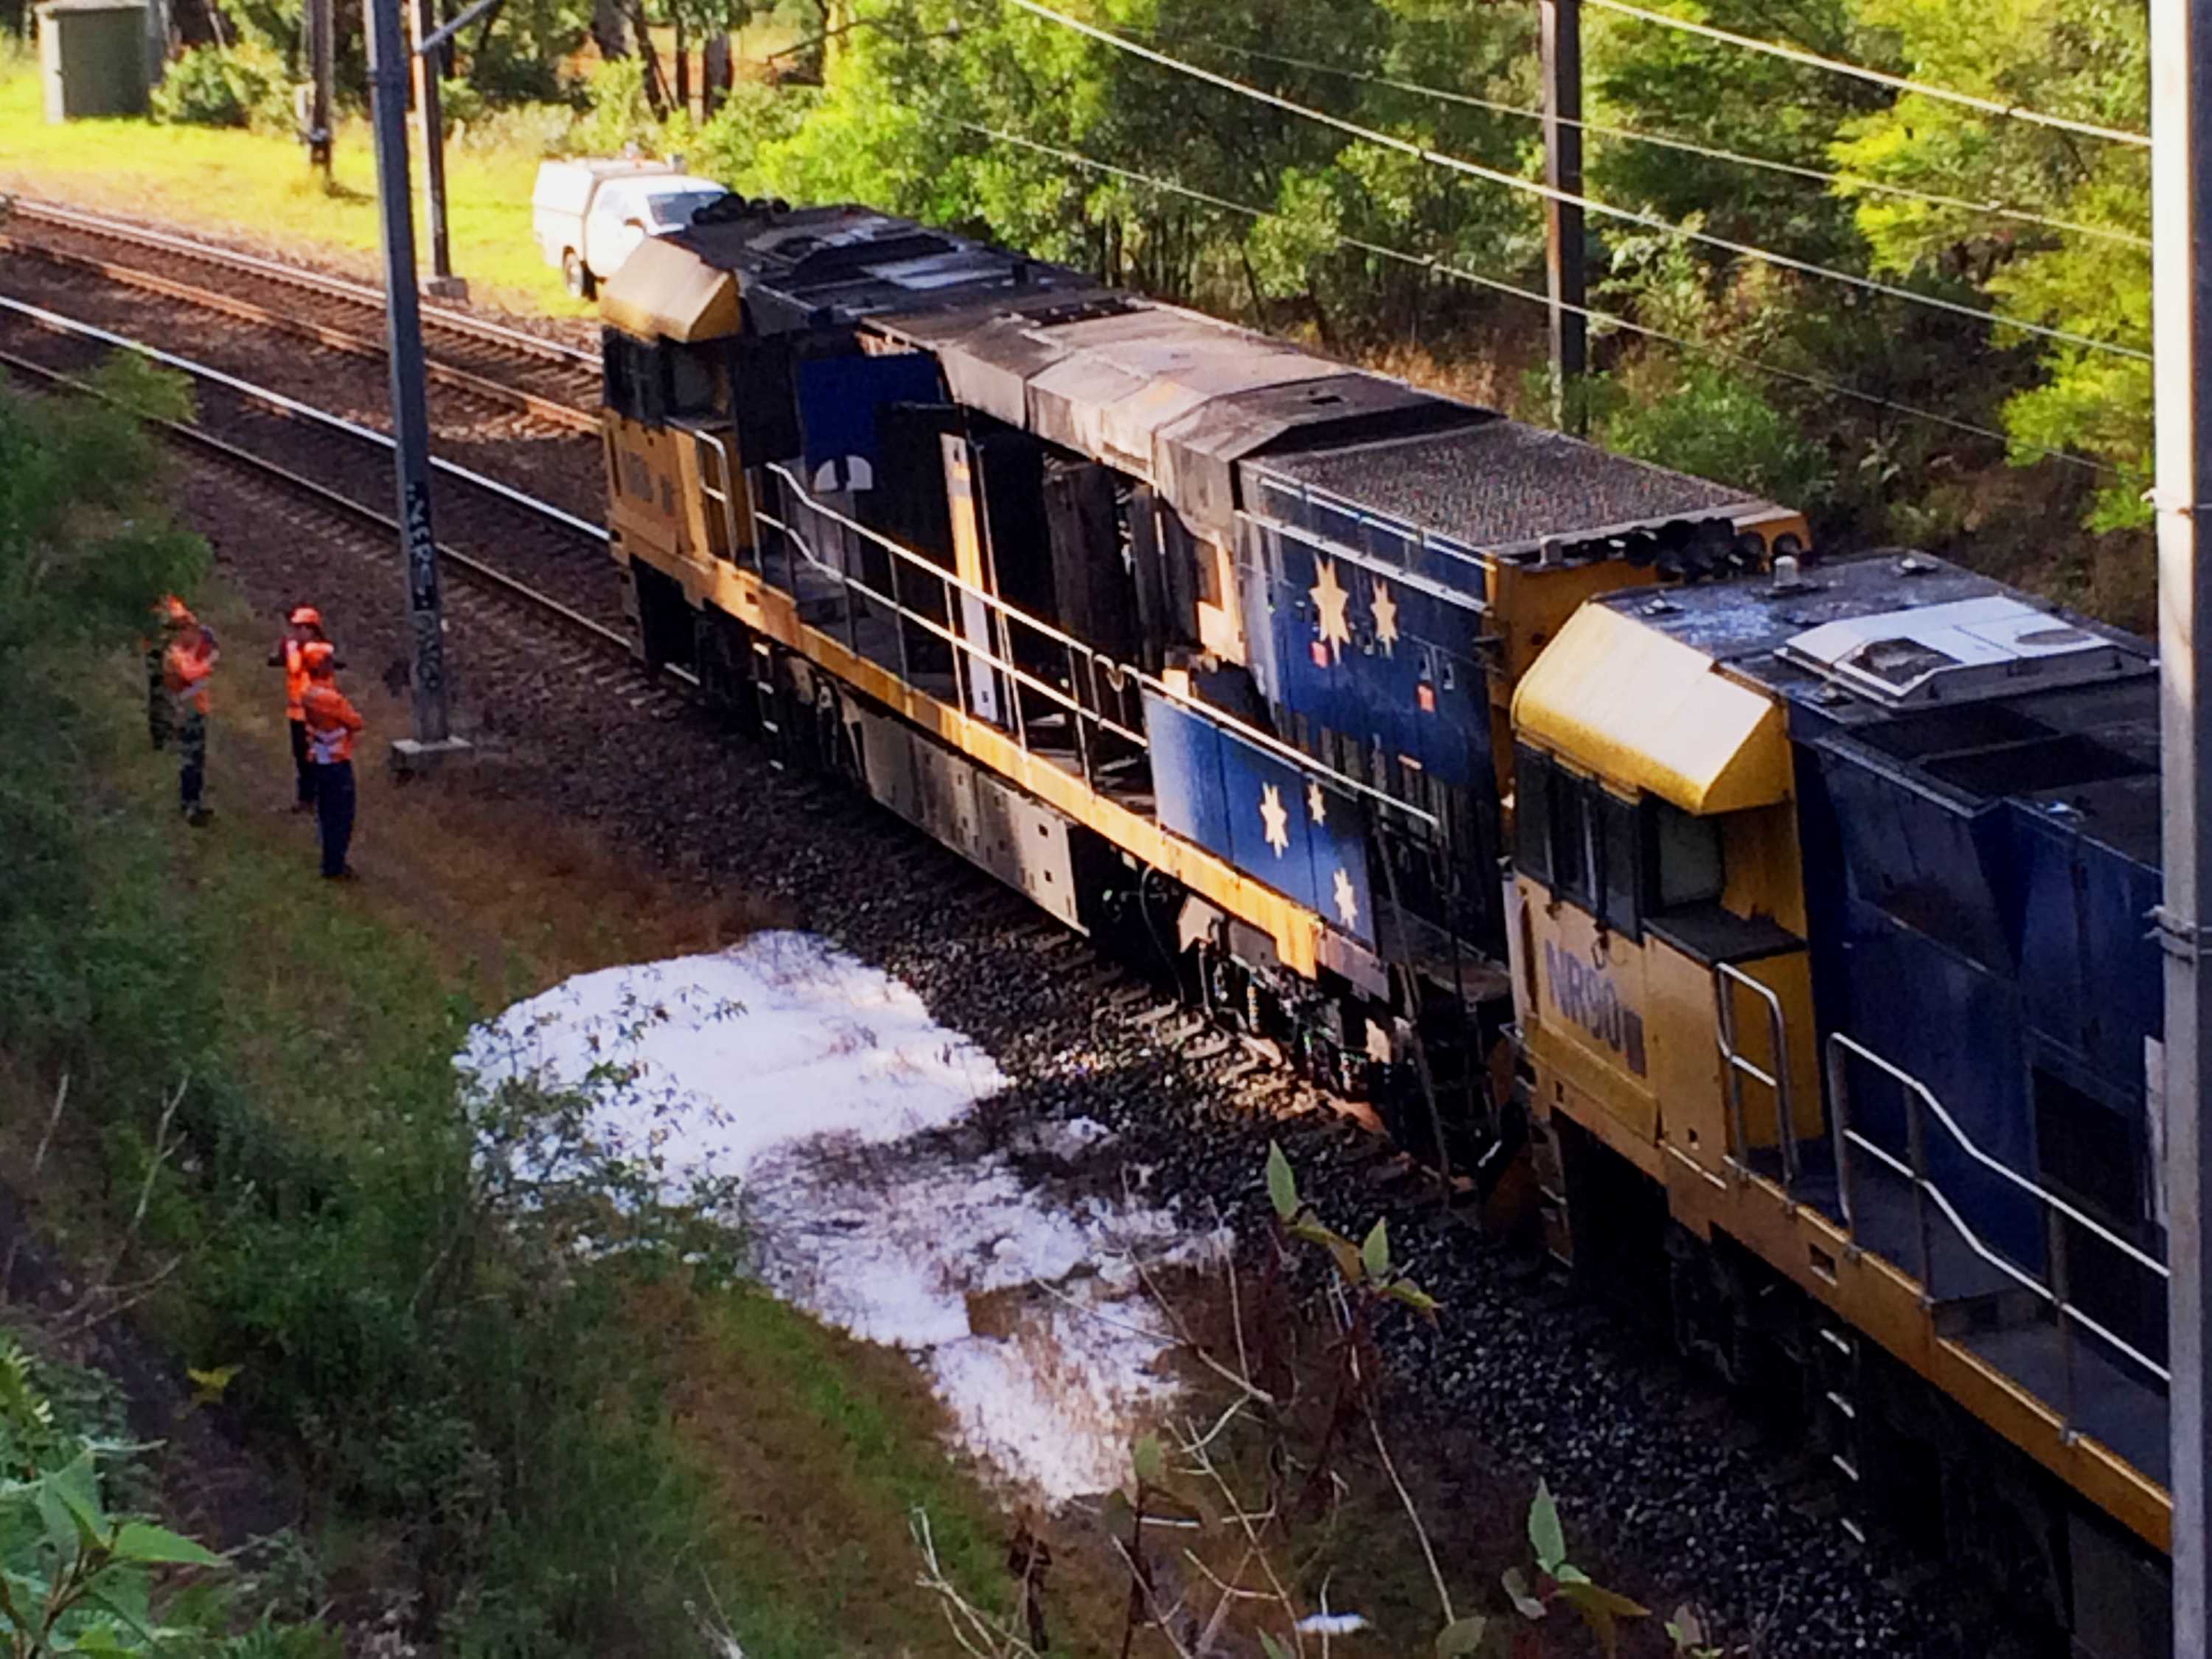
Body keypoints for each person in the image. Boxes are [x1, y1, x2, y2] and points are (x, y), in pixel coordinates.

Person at [299, 641, 364, 879]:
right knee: (342, 815)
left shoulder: (307, 693)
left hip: (319, 759)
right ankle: (336, 865)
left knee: (326, 813)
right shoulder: (331, 698)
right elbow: (356, 722)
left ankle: (329, 860)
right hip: (337, 761)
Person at [268, 605, 329, 813]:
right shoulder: (297, 648)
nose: (295, 631)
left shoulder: (318, 650)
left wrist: (291, 647)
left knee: (315, 758)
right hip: (297, 713)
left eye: (299, 627)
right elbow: (279, 660)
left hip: (315, 715)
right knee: (302, 758)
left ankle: (318, 799)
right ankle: (306, 799)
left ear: (312, 630)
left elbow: (296, 666)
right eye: (294, 627)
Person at [163, 619, 219, 826]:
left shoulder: (187, 652)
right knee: (189, 760)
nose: (194, 636)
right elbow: (188, 674)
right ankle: (189, 805)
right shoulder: (175, 653)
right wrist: (209, 661)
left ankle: (196, 801)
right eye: (190, 632)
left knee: (197, 760)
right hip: (186, 713)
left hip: (197, 711)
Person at [144, 594, 193, 751]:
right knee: (162, 697)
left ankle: (167, 736)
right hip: (160, 656)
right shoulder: (159, 606)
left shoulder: (168, 603)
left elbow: (187, 621)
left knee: (166, 696)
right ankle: (164, 737)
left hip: (166, 657)